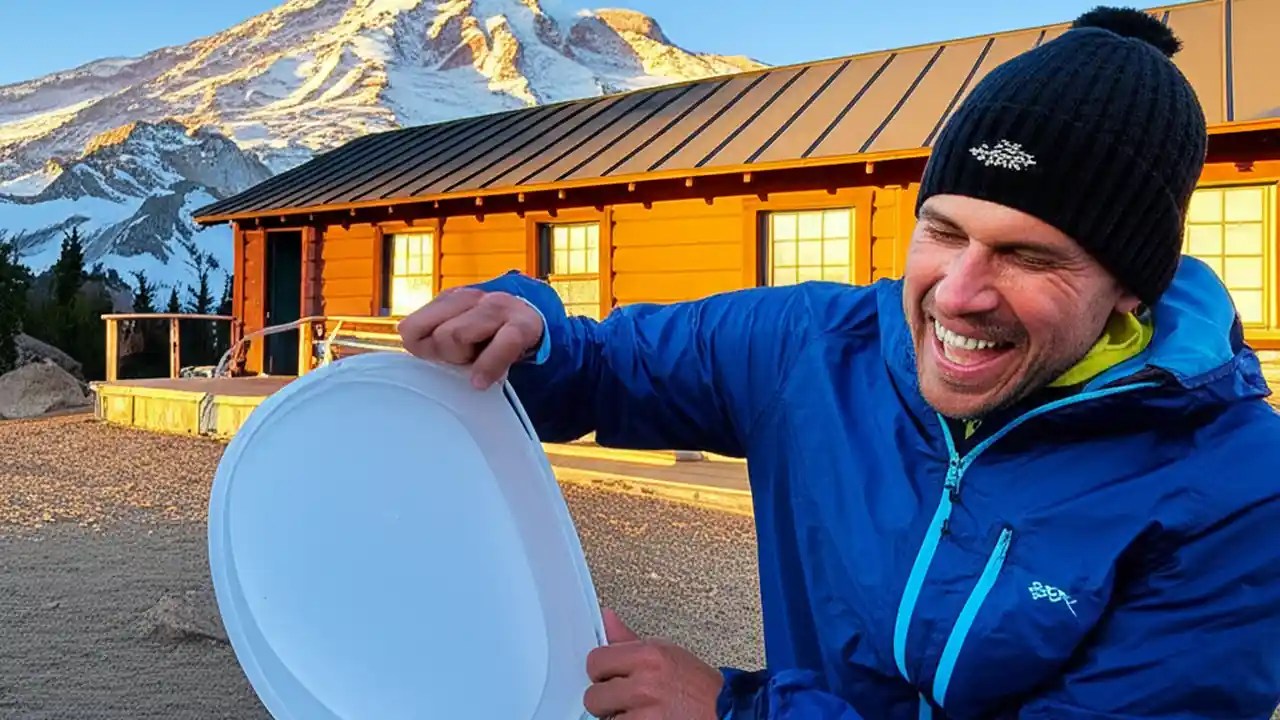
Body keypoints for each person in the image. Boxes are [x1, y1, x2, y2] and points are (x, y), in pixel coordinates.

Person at [399, 7, 1280, 719]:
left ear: (1131, 288)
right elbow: (602, 366)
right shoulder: (817, 346)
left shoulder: (1237, 487)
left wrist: (738, 714)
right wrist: (528, 329)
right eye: (943, 232)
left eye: (1030, 256)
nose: (958, 293)